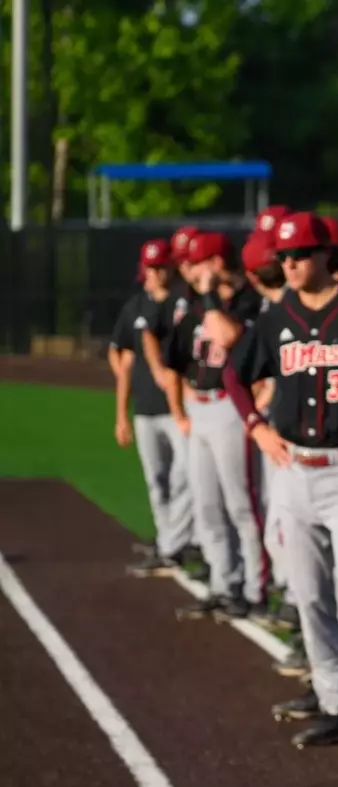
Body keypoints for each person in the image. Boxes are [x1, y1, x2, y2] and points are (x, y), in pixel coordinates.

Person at [226, 211, 338, 753]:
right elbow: (236, 373)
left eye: (299, 254)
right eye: (283, 257)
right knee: (308, 594)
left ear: (327, 255)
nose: (290, 264)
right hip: (293, 469)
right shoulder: (277, 315)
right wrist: (256, 427)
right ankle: (335, 702)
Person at [161, 231, 270, 622]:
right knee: (207, 504)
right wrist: (180, 411)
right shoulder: (192, 304)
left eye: (197, 262)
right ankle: (223, 582)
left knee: (241, 504)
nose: (189, 270)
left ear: (217, 263)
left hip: (231, 407)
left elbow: (229, 336)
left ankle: (255, 589)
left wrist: (209, 299)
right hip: (200, 404)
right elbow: (175, 360)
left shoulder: (246, 301)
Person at [112, 239, 197, 579]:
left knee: (185, 477)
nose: (156, 273)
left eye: (161, 266)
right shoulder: (136, 307)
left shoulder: (184, 303)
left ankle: (176, 543)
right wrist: (121, 414)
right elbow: (122, 355)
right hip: (147, 407)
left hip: (181, 407)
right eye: (151, 267)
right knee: (157, 480)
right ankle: (169, 540)